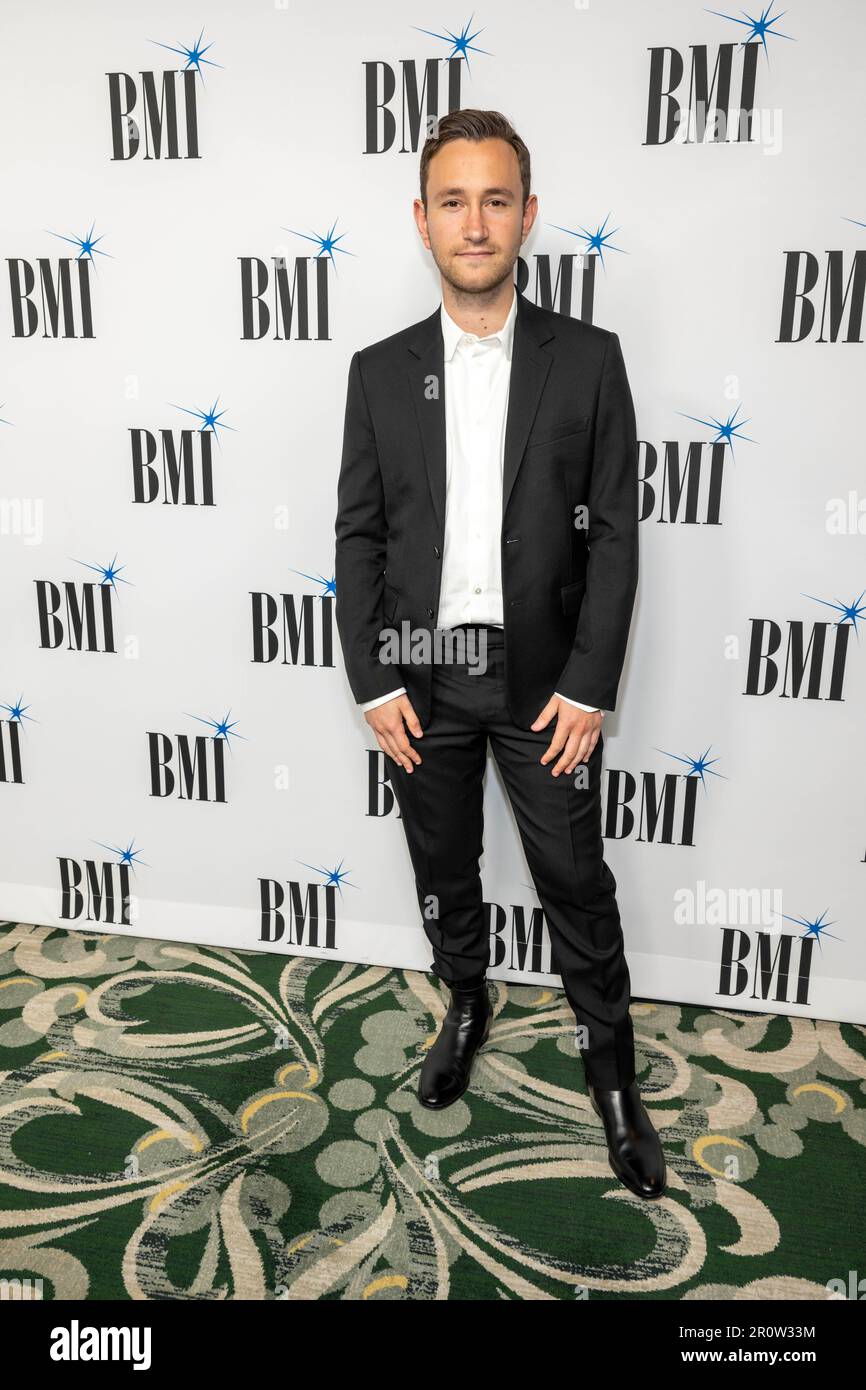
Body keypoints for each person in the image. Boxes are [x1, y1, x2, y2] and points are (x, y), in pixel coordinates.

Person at [334, 108, 665, 1200]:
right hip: (421, 675)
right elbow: (361, 534)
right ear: (419, 221)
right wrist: (373, 675)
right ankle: (465, 999)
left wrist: (588, 683)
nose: (471, 222)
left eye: (492, 199)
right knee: (444, 870)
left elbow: (613, 530)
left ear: (526, 215)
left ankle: (609, 1071)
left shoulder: (590, 360)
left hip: (542, 685)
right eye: (450, 200)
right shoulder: (378, 372)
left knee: (574, 879)